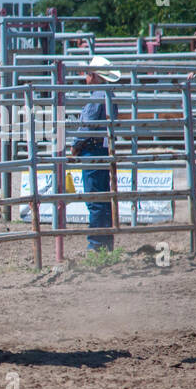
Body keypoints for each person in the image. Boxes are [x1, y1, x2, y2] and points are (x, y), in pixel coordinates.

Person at [71, 55, 121, 252]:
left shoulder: (96, 96)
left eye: (88, 74)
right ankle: (105, 242)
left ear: (95, 76)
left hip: (91, 149)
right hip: (101, 148)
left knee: (95, 198)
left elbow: (87, 126)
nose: (86, 77)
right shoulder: (108, 94)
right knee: (102, 197)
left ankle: (96, 244)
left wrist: (75, 147)